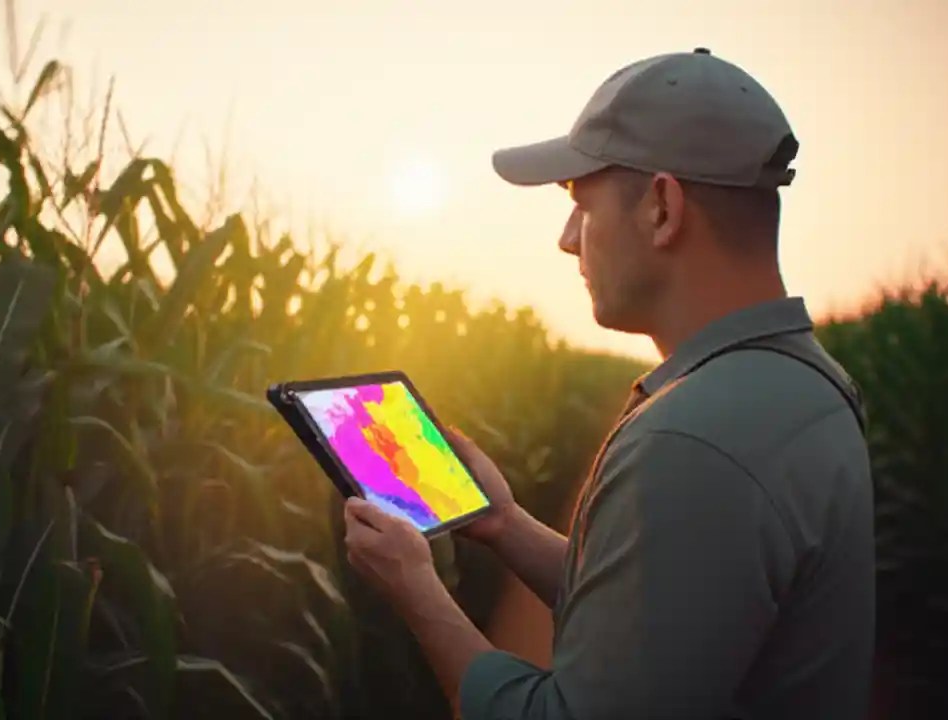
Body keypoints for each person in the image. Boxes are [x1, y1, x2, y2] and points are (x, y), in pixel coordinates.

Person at [342, 48, 875, 719]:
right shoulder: (802, 383)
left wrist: (415, 589)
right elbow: (673, 621)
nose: (568, 239)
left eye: (581, 204)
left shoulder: (693, 440)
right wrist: (505, 525)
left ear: (661, 208)